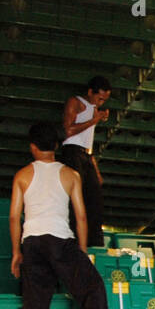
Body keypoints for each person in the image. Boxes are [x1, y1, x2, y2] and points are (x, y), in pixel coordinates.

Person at [9, 122, 121, 309]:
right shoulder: (71, 175)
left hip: (31, 242)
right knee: (92, 287)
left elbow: (13, 217)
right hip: (59, 240)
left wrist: (16, 253)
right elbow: (80, 215)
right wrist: (81, 250)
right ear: (57, 145)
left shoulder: (22, 175)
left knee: (35, 301)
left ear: (32, 147)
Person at [58, 76, 111, 248]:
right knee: (75, 198)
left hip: (87, 155)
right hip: (72, 152)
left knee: (95, 200)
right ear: (90, 92)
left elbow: (88, 143)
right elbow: (68, 130)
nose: (101, 103)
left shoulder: (95, 109)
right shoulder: (76, 102)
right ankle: (72, 240)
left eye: (104, 100)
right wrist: (94, 120)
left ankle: (94, 243)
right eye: (99, 98)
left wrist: (95, 168)